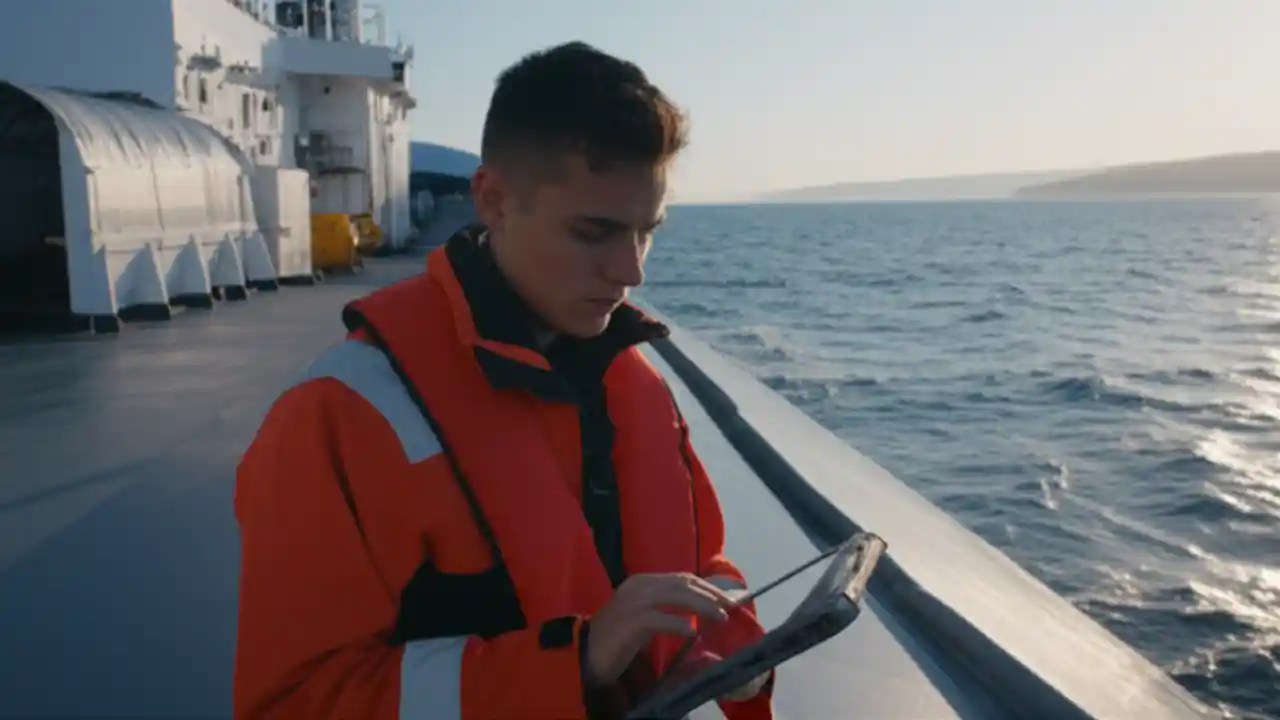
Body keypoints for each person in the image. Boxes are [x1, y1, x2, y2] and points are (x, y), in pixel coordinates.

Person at [233, 41, 773, 719]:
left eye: (647, 232)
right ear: (492, 201)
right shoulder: (340, 416)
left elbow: (699, 562)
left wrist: (733, 638)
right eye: (593, 232)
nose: (632, 271)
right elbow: (293, 702)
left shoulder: (631, 380)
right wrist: (573, 664)